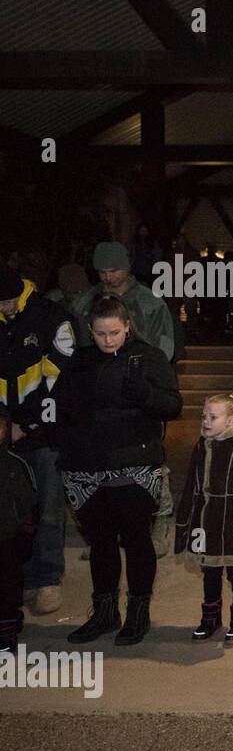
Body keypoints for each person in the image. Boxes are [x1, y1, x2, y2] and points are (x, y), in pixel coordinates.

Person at [56, 294, 182, 646]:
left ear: (127, 326)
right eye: (100, 333)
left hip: (133, 465)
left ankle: (138, 612)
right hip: (86, 466)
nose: (108, 340)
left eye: (114, 332)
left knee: (136, 538)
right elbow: (62, 407)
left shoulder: (148, 358)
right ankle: (105, 611)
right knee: (100, 541)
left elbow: (172, 405)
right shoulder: (79, 361)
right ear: (90, 331)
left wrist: (144, 393)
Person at [0, 266, 75, 616]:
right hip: (4, 437)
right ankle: (20, 580)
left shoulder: (51, 317)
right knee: (11, 514)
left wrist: (25, 424)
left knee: (47, 511)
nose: (5, 308)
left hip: (43, 434)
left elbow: (59, 380)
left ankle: (47, 579)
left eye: (9, 301)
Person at [174, 392, 233, 644]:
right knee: (210, 571)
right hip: (205, 522)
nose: (205, 421)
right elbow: (191, 484)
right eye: (204, 415)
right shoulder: (202, 445)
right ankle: (210, 618)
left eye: (213, 417)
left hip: (232, 523)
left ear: (231, 421)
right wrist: (185, 521)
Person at [0, 402, 39, 654]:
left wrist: (24, 535)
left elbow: (30, 505)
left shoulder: (15, 464)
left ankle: (6, 629)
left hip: (7, 540)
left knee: (8, 584)